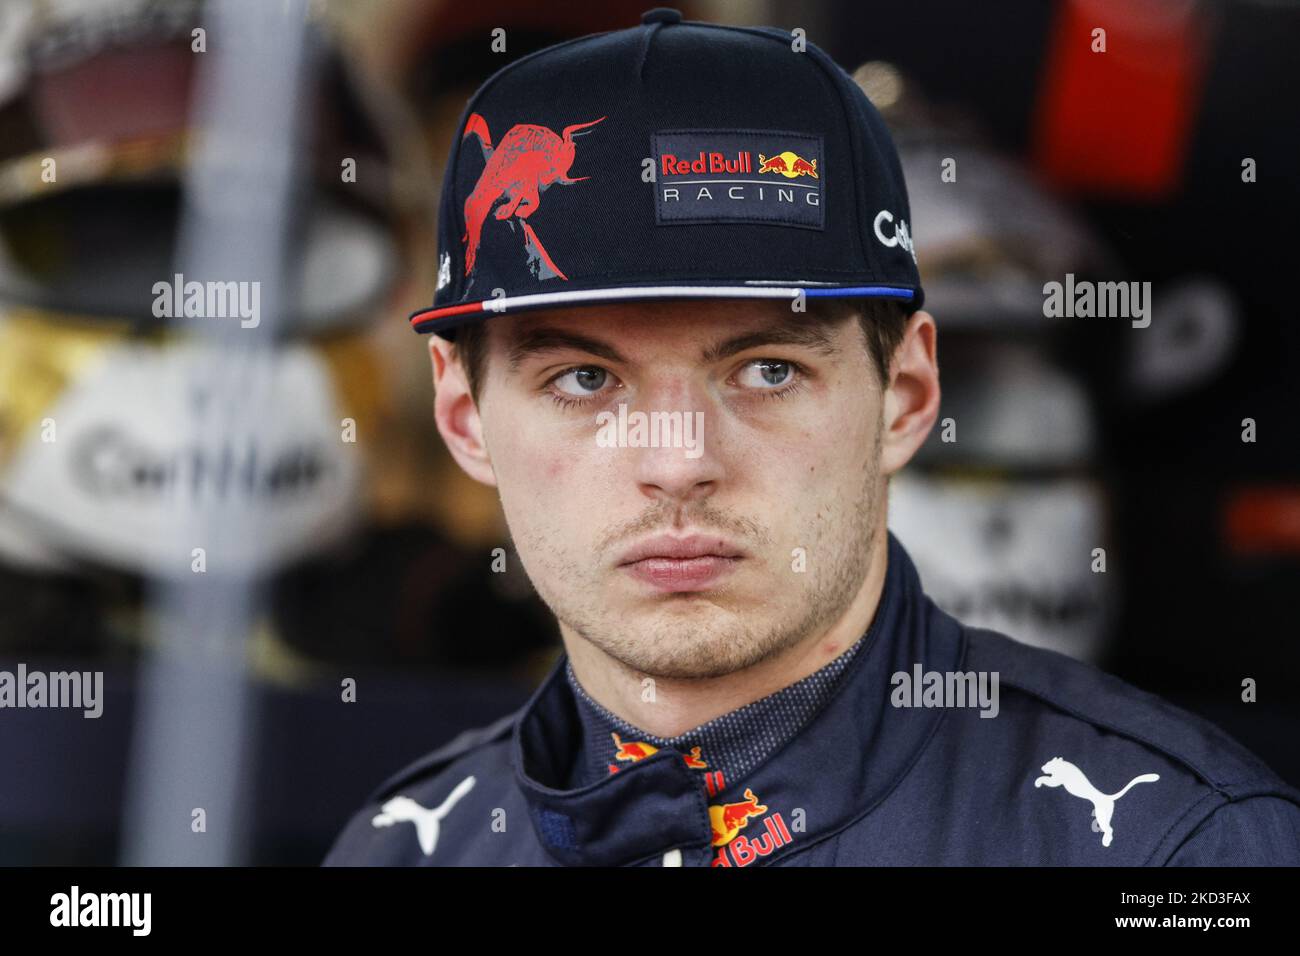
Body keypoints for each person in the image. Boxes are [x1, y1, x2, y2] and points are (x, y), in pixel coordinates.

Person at [323, 8, 1300, 866]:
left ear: (906, 395)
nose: (676, 460)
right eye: (584, 378)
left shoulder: (1183, 849)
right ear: (463, 417)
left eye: (767, 370)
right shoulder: (407, 845)